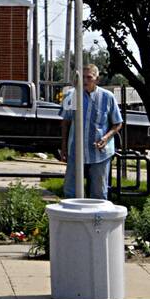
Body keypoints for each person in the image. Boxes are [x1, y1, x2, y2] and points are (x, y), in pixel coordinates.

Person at [58, 64, 123, 199]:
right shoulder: (71, 95)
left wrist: (106, 138)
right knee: (71, 191)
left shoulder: (107, 97)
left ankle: (98, 219)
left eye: (89, 77)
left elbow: (117, 123)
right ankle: (73, 218)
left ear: (97, 79)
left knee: (99, 193)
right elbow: (65, 122)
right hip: (75, 150)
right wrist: (63, 147)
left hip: (100, 153)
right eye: (82, 77)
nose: (85, 81)